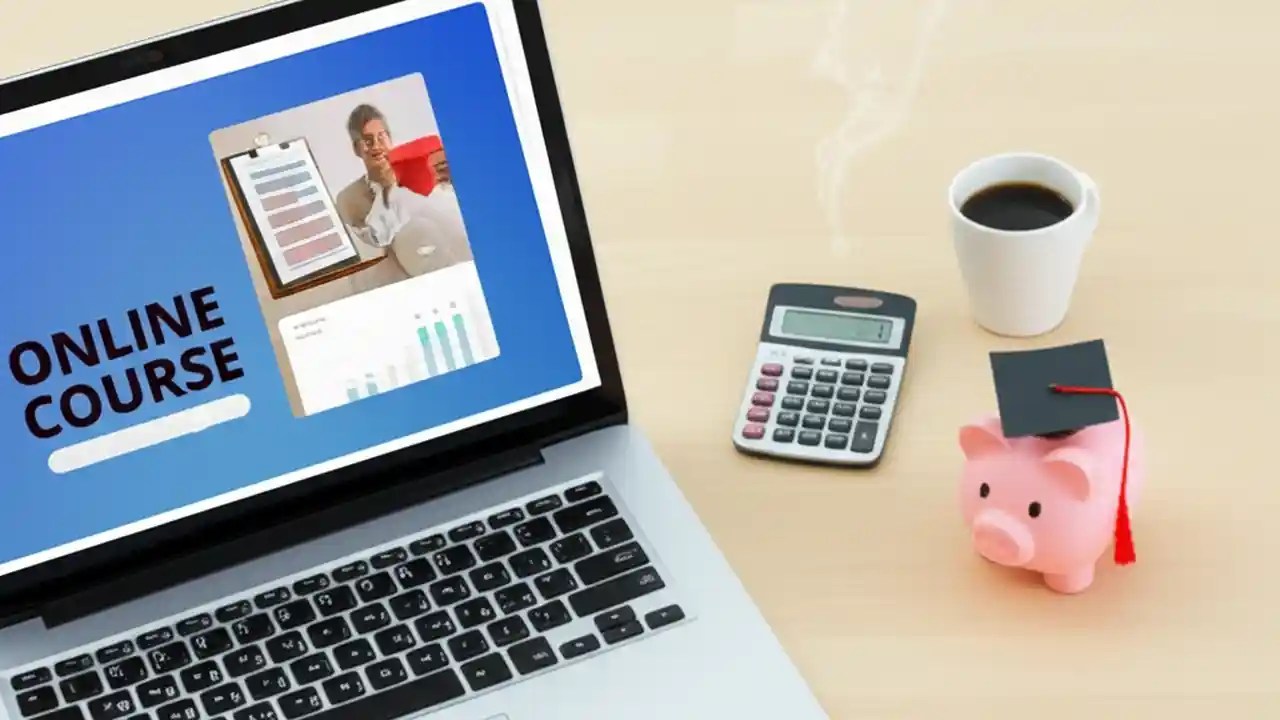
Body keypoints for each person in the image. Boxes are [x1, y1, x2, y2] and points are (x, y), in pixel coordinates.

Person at [334, 104, 471, 278]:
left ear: (390, 139)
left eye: (381, 137)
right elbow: (376, 241)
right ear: (356, 149)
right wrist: (387, 187)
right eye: (367, 141)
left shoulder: (423, 169)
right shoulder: (351, 197)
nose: (376, 146)